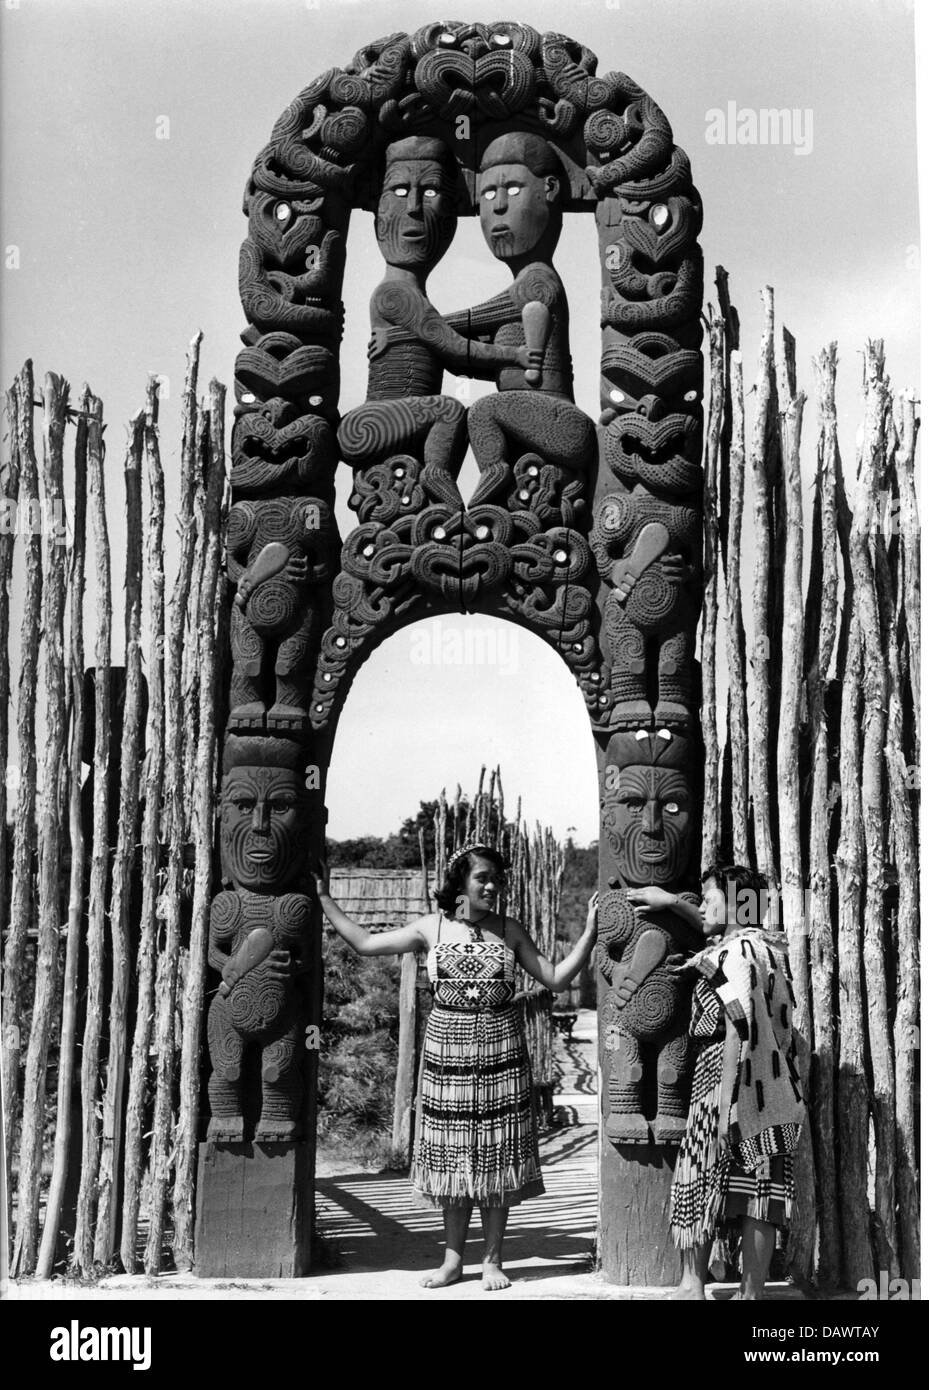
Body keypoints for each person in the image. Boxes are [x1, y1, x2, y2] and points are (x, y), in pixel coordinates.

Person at [313, 843, 598, 1291]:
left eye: (498, 879)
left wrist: (589, 934)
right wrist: (325, 898)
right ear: (459, 882)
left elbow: (557, 978)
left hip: (503, 1054)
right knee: (454, 1156)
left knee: (497, 1154)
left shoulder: (510, 930)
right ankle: (451, 1262)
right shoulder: (433, 928)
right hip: (447, 1056)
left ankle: (492, 1261)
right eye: (483, 877)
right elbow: (367, 943)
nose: (492, 886)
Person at [627, 863, 805, 1301]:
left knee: (700, 1177)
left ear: (740, 904)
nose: (702, 906)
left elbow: (735, 1030)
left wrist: (726, 1106)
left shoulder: (735, 954)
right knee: (759, 1188)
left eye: (710, 898)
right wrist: (673, 903)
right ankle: (752, 1293)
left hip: (727, 1083)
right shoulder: (765, 949)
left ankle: (693, 1284)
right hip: (774, 1087)